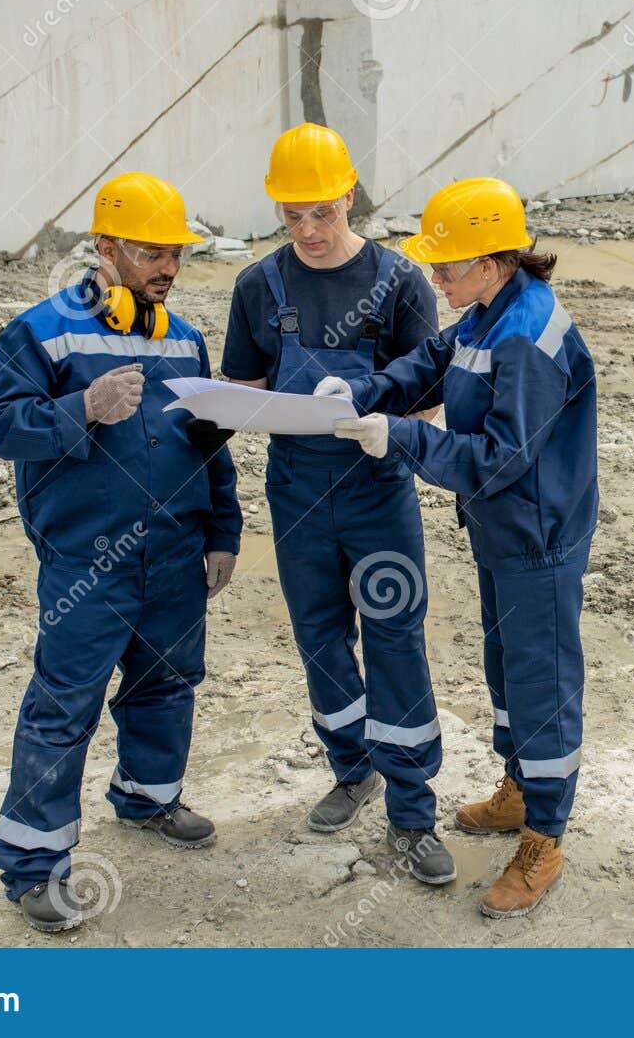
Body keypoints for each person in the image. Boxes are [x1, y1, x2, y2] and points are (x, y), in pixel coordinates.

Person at [324, 177, 598, 919]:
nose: (434, 277)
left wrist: (404, 437)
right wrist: (366, 393)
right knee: (506, 662)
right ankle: (520, 788)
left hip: (536, 534)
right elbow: (434, 362)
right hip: (502, 529)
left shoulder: (528, 335)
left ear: (493, 259)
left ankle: (545, 834)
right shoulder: (484, 312)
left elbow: (502, 456)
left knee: (541, 683)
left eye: (447, 265)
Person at [0, 172, 242, 932]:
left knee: (166, 684)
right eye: (150, 250)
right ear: (104, 248)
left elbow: (208, 442)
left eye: (176, 253)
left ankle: (148, 797)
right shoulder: (42, 331)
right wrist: (81, 408)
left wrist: (223, 530)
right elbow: (0, 428)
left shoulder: (183, 337)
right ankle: (34, 865)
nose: (167, 265)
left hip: (176, 555)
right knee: (64, 706)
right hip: (87, 562)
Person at [221, 123, 454, 883]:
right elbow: (246, 394)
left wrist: (381, 419)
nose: (309, 231)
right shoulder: (259, 286)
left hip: (376, 488)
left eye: (321, 211)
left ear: (349, 194)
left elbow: (427, 399)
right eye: (293, 216)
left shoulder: (402, 282)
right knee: (320, 634)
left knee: (394, 634)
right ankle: (352, 765)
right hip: (295, 489)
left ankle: (413, 810)